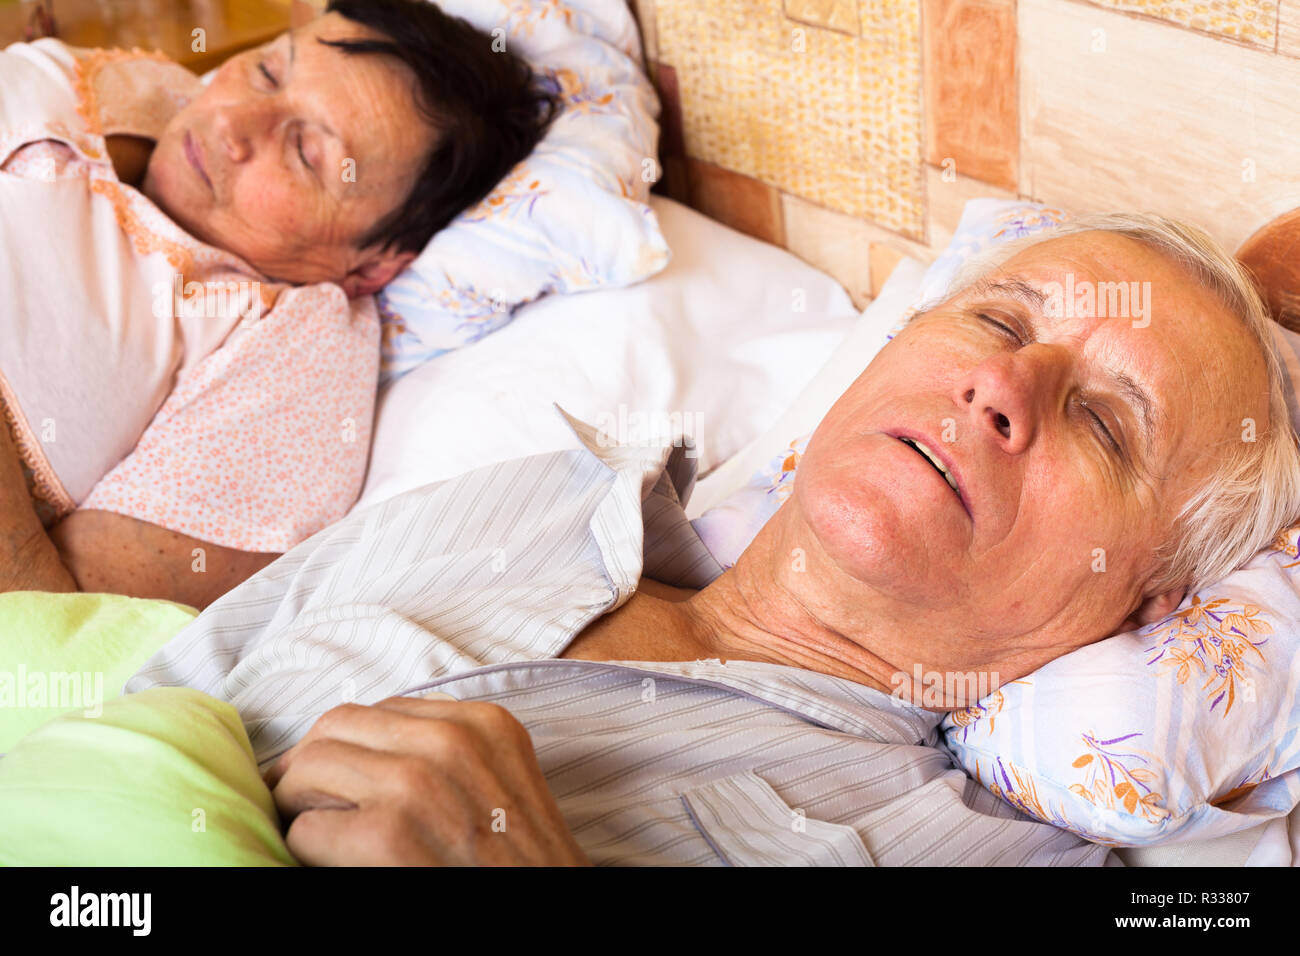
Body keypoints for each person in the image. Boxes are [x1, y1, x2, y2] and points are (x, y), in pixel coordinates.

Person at [103, 214, 1300, 865]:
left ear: (1156, 596)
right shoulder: (543, 495)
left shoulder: (970, 856)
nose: (1004, 381)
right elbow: (119, 732)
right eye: (995, 320)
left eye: (1104, 421)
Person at [0, 0, 556, 608]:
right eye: (267, 72)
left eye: (306, 153)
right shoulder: (118, 89)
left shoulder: (295, 348)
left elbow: (60, 625)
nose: (231, 122)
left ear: (373, 264)